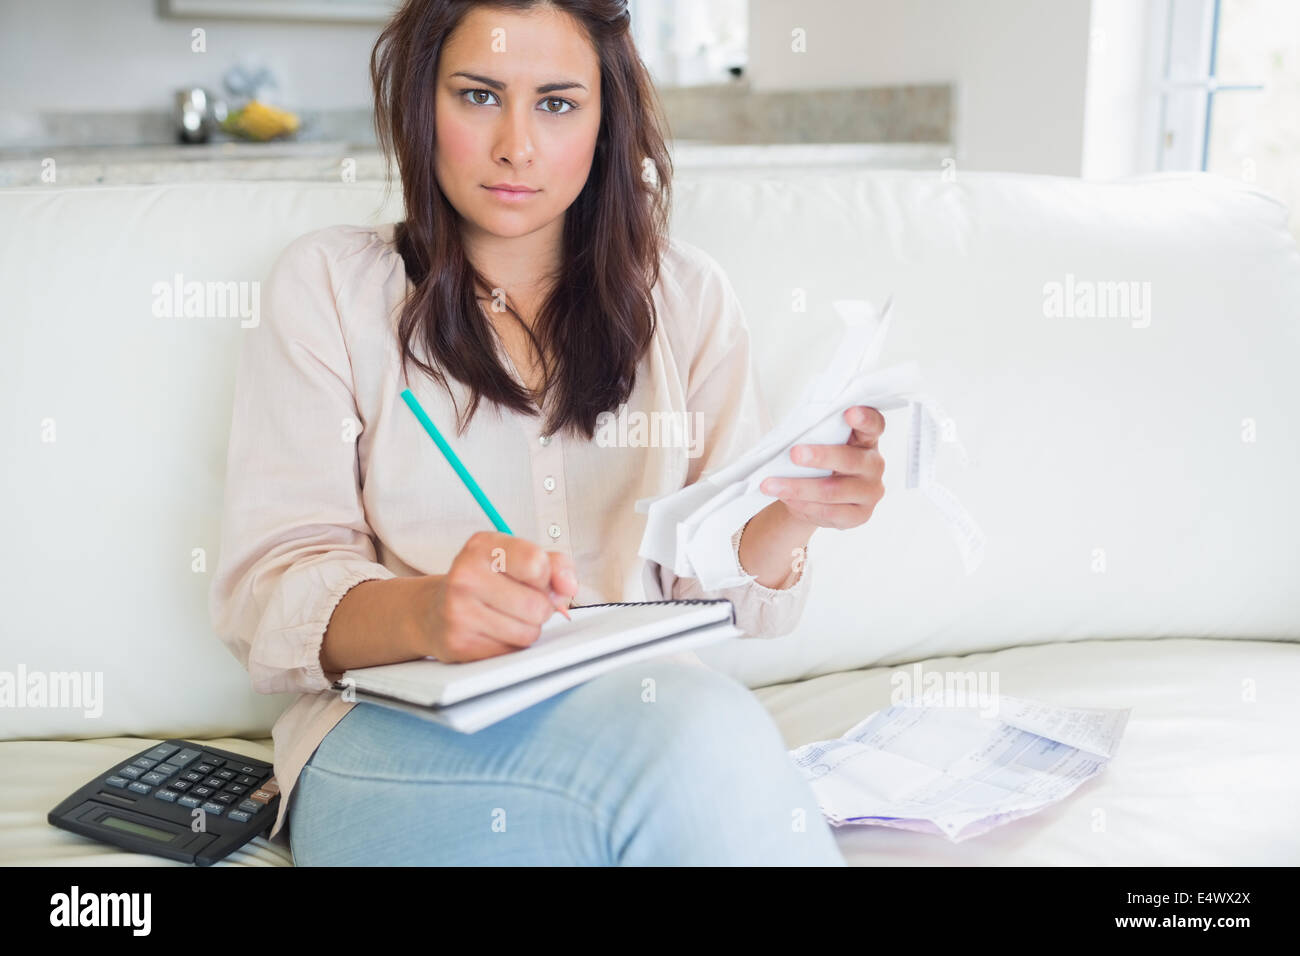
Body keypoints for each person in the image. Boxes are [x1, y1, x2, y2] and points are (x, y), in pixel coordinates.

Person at [210, 0, 885, 866]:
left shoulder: (686, 298)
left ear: (607, 120)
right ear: (421, 103)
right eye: (479, 95)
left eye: (558, 104)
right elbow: (270, 593)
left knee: (695, 742)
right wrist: (426, 610)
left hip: (635, 717)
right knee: (704, 742)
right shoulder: (331, 289)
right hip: (395, 734)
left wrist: (797, 510)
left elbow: (721, 590)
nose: (516, 147)